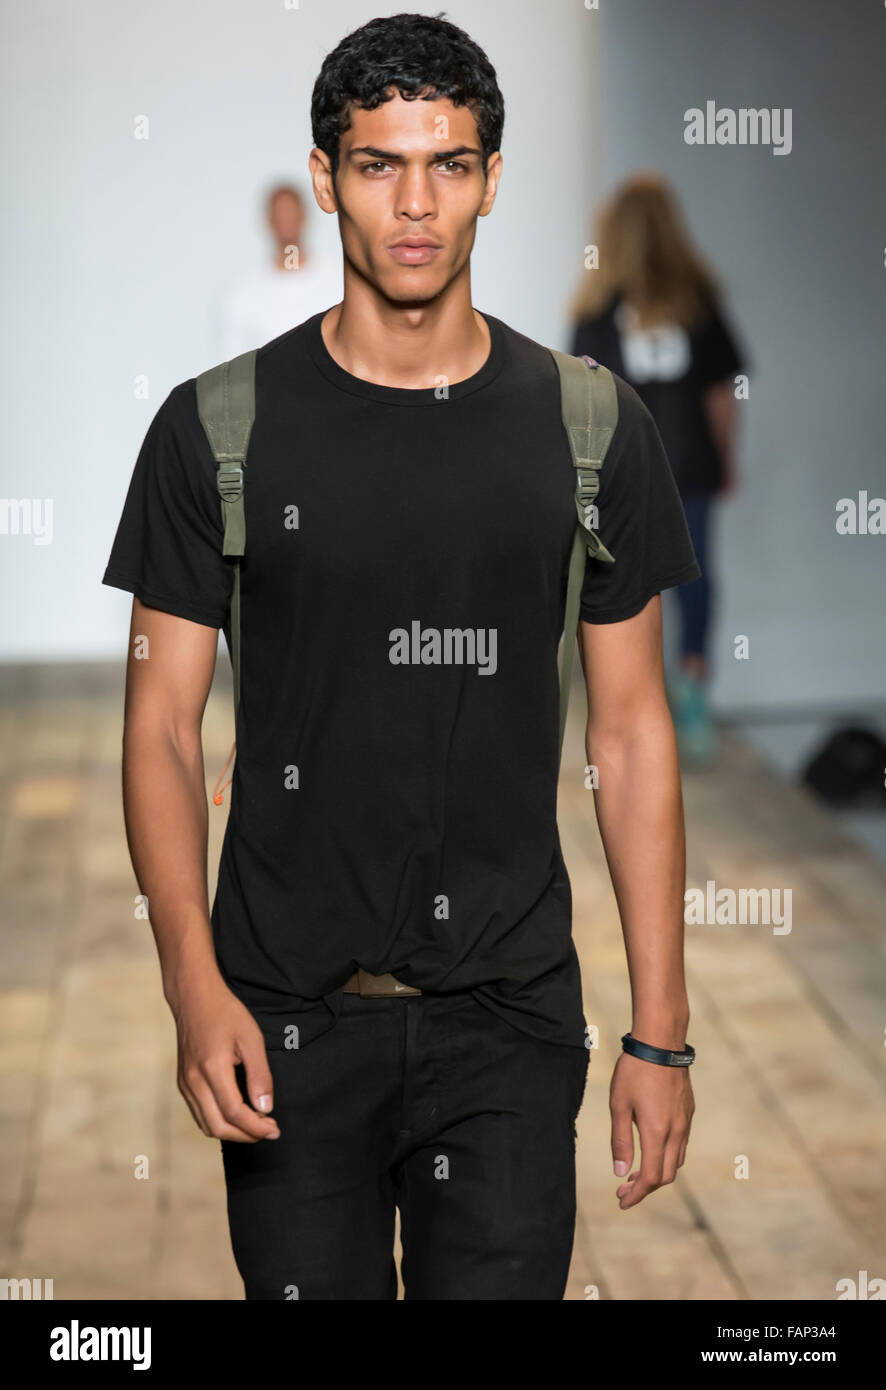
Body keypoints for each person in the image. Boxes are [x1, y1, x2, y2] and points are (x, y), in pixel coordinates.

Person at [102, 13, 699, 1301]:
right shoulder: (216, 429)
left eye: (450, 163)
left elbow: (633, 732)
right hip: (284, 1015)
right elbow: (158, 729)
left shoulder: (590, 428)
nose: (415, 204)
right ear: (326, 180)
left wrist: (663, 1029)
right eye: (378, 165)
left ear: (491, 178)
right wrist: (192, 989)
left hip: (511, 1013)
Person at [570, 173, 749, 765]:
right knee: (695, 577)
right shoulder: (698, 302)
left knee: (625, 581)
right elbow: (721, 393)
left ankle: (633, 706)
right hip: (691, 463)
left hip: (623, 469)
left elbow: (582, 399)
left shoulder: (598, 307)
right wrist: (726, 458)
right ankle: (691, 692)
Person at [215, 183, 343, 357]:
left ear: (304, 216)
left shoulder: (341, 280)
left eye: (290, 211)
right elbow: (233, 368)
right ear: (269, 220)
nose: (286, 219)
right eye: (280, 213)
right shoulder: (242, 295)